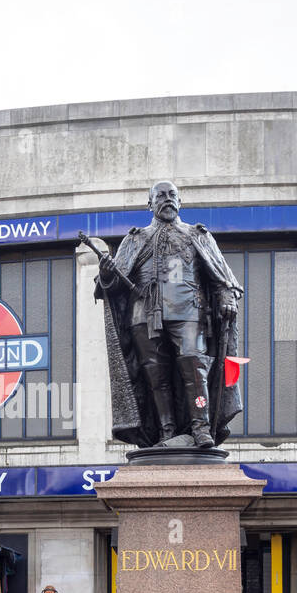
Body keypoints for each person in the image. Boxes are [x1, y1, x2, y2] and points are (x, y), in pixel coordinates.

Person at [94, 180, 244, 448]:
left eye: (172, 195)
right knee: (156, 376)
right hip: (143, 315)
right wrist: (106, 273)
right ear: (150, 203)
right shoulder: (135, 238)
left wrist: (225, 295)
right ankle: (166, 431)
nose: (167, 199)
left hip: (189, 311)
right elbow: (112, 285)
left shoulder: (197, 235)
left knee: (194, 367)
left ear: (180, 201)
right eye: (160, 196)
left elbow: (224, 277)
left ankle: (201, 427)